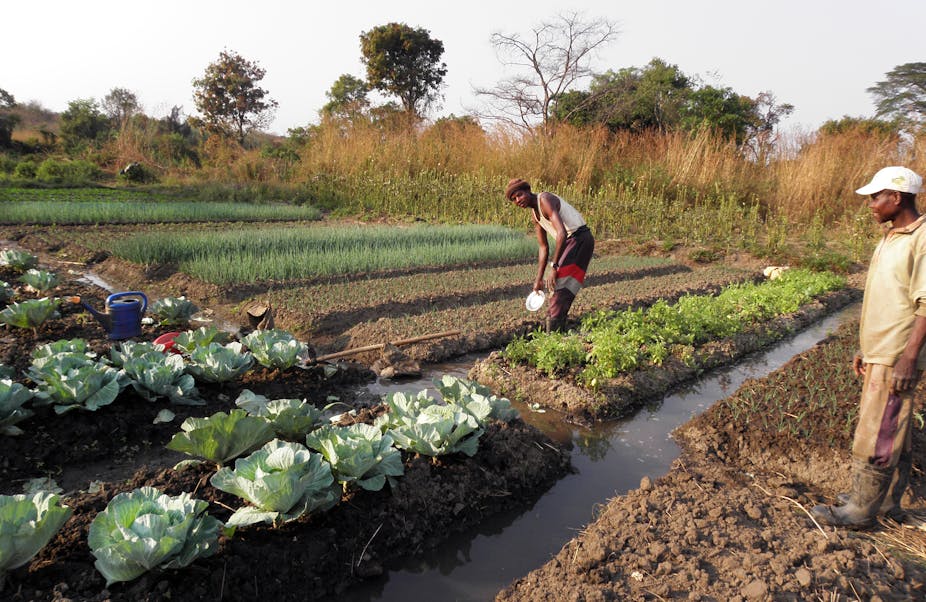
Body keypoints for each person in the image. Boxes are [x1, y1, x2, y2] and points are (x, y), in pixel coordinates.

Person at [811, 165, 925, 528]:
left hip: (896, 355)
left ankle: (860, 511)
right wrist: (865, 347)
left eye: (876, 198)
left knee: (879, 431)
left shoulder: (922, 238)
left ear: (897, 197)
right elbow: (888, 297)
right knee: (895, 430)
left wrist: (908, 357)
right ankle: (885, 501)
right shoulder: (894, 235)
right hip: (882, 351)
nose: (871, 205)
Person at [505, 178, 594, 332]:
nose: (518, 200)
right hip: (573, 241)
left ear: (528, 190)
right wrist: (538, 279)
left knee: (559, 283)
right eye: (514, 199)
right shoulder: (535, 215)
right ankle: (556, 324)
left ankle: (554, 331)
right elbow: (543, 247)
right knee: (557, 285)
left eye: (519, 195)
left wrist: (554, 266)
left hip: (579, 238)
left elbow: (562, 233)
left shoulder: (544, 200)